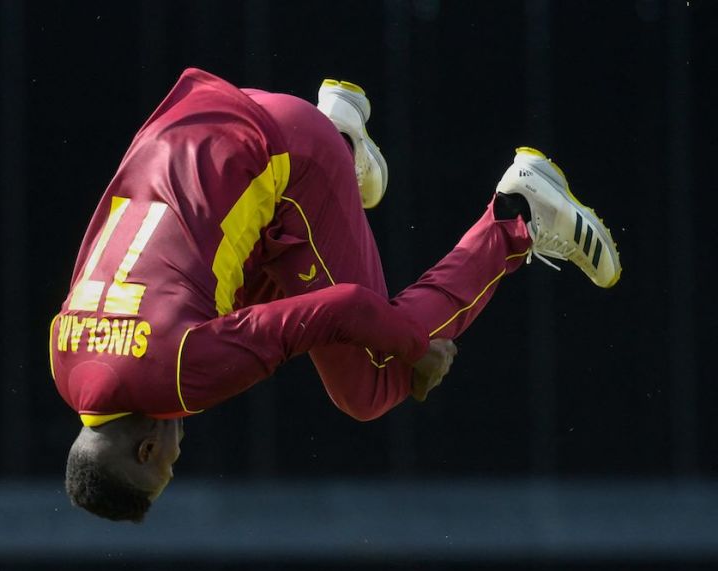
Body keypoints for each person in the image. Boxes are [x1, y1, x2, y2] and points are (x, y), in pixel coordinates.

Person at [49, 68, 621, 522]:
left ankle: (516, 219)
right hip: (193, 123)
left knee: (370, 384)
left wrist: (413, 348)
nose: (178, 454)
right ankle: (341, 136)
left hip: (282, 152)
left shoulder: (176, 379)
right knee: (237, 297)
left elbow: (344, 307)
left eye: (169, 467)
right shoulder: (63, 359)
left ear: (145, 453)